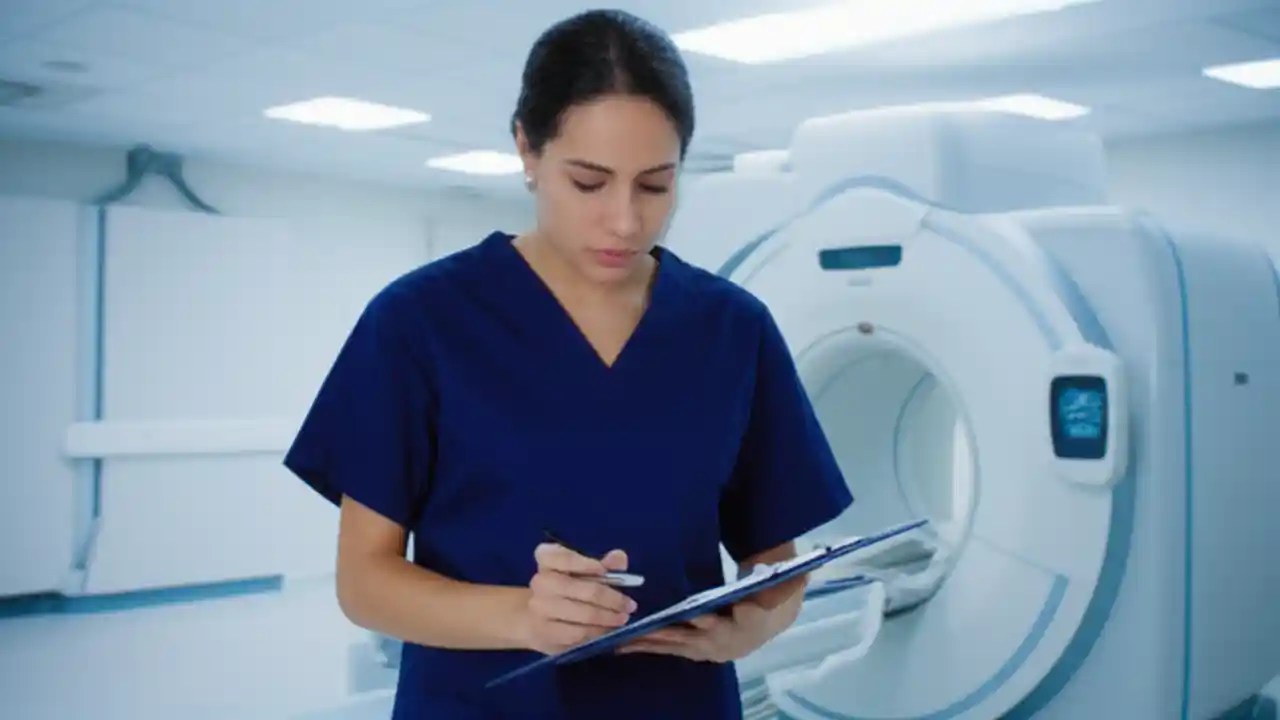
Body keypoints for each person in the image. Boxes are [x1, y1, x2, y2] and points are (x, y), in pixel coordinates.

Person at [282, 8, 853, 719]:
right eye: (589, 182)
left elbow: (776, 563)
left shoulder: (732, 329)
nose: (624, 220)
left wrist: (756, 625)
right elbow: (363, 581)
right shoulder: (420, 322)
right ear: (527, 151)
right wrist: (524, 616)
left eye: (655, 185)